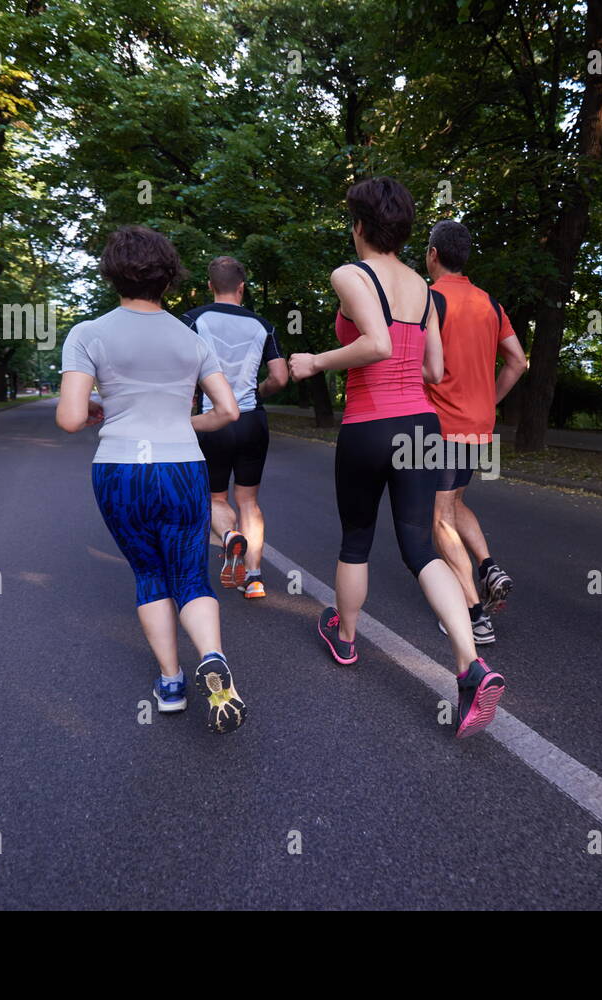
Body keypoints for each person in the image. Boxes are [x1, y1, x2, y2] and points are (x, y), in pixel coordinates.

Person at [288, 177, 506, 738]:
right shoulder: (424, 289)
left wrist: (314, 361)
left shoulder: (350, 275)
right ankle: (469, 663)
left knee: (356, 538)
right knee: (418, 546)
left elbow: (377, 344)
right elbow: (433, 371)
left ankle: (345, 637)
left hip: (368, 424)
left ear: (359, 225)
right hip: (421, 426)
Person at [56, 225, 248, 732]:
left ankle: (170, 682)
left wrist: (101, 405)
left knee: (149, 575)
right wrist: (185, 422)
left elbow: (71, 418)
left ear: (111, 273)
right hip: (182, 466)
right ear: (168, 277)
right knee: (191, 575)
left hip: (119, 471)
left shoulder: (87, 333)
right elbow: (227, 410)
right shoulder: (191, 338)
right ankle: (213, 656)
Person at [424, 220, 527, 643]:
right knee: (456, 501)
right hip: (479, 427)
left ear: (433, 254)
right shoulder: (490, 304)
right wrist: (491, 401)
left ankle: (471, 613)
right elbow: (518, 362)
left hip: (439, 427)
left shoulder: (428, 301)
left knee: (439, 517)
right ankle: (487, 566)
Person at [181, 255, 288, 599]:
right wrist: (259, 391)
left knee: (215, 497)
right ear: (242, 287)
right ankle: (254, 577)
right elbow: (280, 377)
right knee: (249, 501)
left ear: (210, 285)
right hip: (252, 421)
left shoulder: (192, 321)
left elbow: (180, 373)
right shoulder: (262, 324)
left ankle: (228, 538)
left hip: (213, 421)